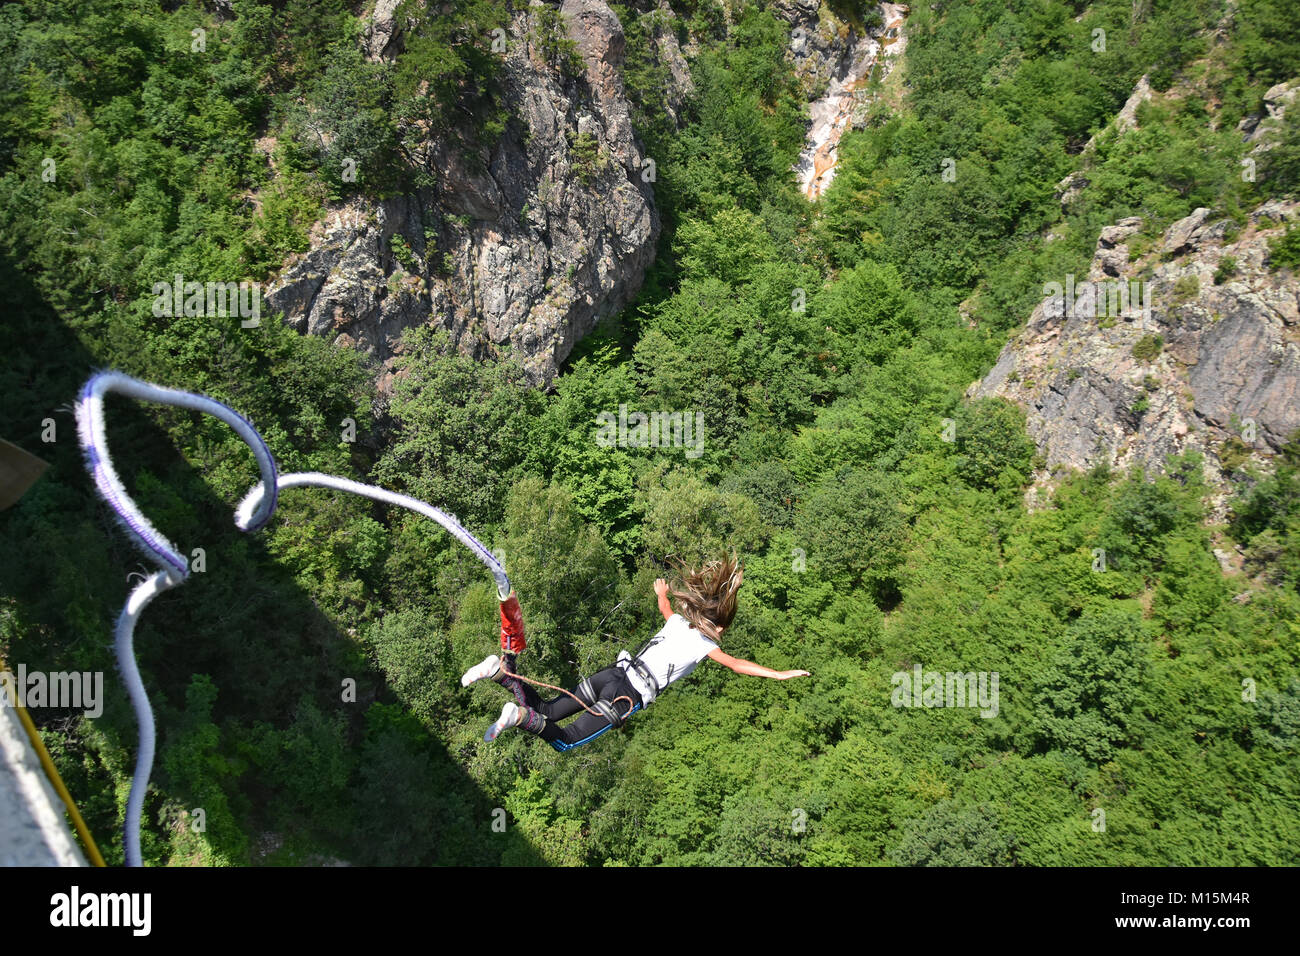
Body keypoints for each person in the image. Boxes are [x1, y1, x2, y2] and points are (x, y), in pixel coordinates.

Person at [461, 554, 811, 751]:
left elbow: (664, 606)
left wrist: (662, 590)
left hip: (613, 674)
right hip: (627, 696)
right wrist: (779, 674)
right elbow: (736, 665)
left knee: (546, 710)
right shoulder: (706, 644)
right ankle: (518, 717)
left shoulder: (678, 623)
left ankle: (499, 674)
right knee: (565, 741)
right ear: (718, 628)